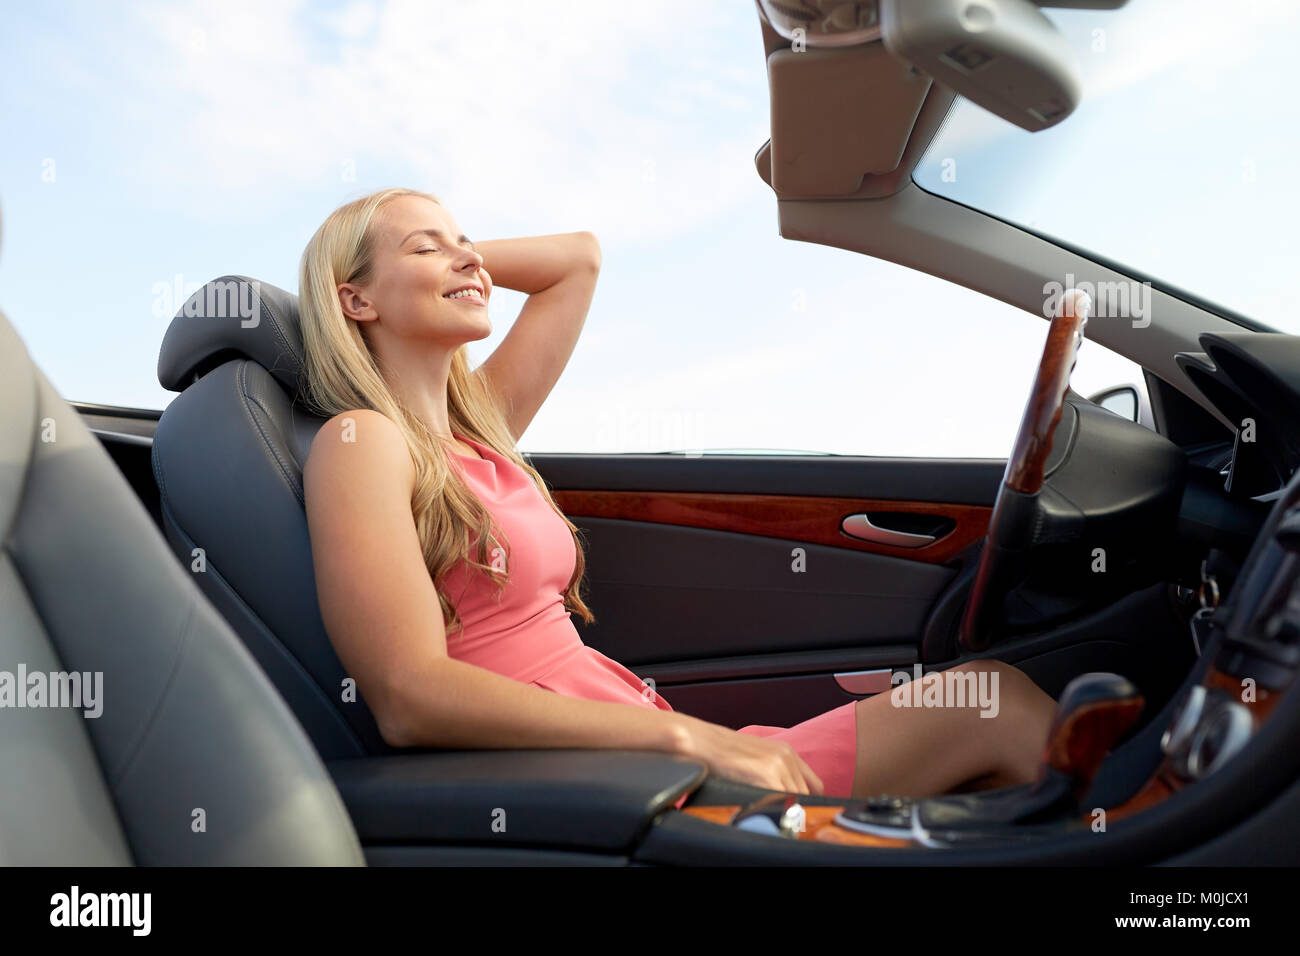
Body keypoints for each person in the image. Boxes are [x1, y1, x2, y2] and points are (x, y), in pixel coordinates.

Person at [300, 187, 1058, 800]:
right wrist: (684, 737)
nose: (465, 252)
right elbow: (407, 694)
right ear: (355, 301)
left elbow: (578, 261)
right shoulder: (362, 443)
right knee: (993, 706)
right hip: (618, 778)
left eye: (464, 237)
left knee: (989, 705)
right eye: (424, 245)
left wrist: (451, 260)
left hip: (641, 747)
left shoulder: (481, 433)